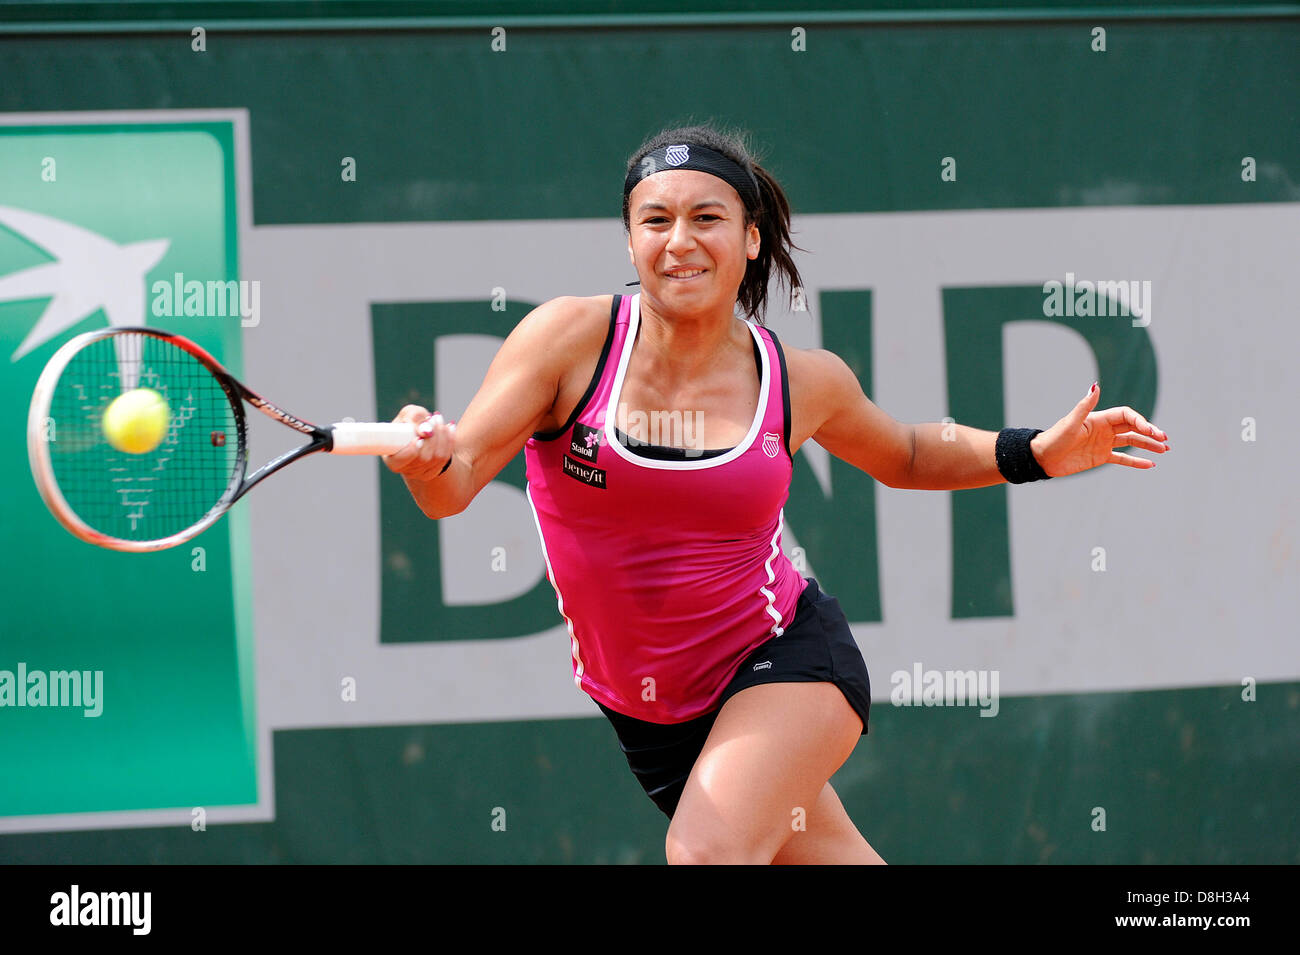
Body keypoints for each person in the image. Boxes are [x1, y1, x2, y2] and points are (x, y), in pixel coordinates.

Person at [382, 122, 1170, 865]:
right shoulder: (566, 341)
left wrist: (1033, 451)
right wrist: (426, 464)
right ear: (629, 240)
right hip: (647, 713)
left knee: (704, 854)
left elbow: (905, 451)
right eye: (654, 220)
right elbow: (454, 485)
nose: (679, 241)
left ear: (751, 239)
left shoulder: (800, 379)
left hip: (787, 660)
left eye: (706, 217)